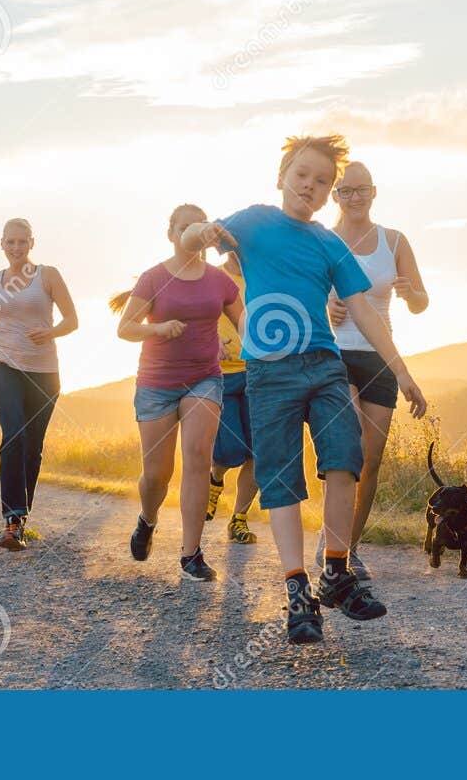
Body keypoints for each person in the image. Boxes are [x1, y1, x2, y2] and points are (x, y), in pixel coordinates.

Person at [182, 134, 425, 645]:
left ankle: (335, 570)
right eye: (302, 177)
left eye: (321, 182)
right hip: (269, 373)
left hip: (325, 365)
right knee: (282, 479)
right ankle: (298, 589)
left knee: (345, 457)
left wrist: (401, 371)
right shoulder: (253, 221)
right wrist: (200, 231)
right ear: (282, 178)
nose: (310, 187)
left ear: (328, 194)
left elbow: (363, 310)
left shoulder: (329, 243)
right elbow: (192, 242)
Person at [111, 205, 242, 583]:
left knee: (199, 459)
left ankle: (191, 554)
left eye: (199, 227)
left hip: (205, 379)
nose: (192, 233)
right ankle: (147, 519)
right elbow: (126, 327)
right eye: (184, 227)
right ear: (171, 234)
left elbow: (243, 320)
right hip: (156, 384)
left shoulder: (219, 280)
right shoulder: (154, 278)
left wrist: (250, 346)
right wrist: (158, 329)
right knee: (157, 473)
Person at [325, 161, 429, 579]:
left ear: (373, 191)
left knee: (372, 457)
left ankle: (349, 548)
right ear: (335, 196)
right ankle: (331, 544)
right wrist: (324, 305)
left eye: (361, 189)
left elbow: (422, 302)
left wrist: (411, 293)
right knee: (347, 450)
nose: (354, 197)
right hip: (334, 353)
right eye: (345, 191)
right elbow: (303, 295)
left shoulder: (395, 240)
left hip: (380, 355)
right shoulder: (324, 240)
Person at [0, 218, 79, 551]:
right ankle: (12, 521)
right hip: (1, 364)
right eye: (10, 242)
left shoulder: (48, 275)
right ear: (2, 244)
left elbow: (73, 319)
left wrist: (52, 331)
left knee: (33, 445)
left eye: (22, 242)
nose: (16, 248)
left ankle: (21, 518)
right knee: (13, 432)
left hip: (43, 370)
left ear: (32, 243)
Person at [205, 251, 259, 545]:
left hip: (257, 372)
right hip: (220, 374)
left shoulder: (261, 276)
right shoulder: (212, 276)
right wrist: (210, 341)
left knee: (257, 452)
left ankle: (238, 518)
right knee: (229, 450)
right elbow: (195, 316)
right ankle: (214, 483)